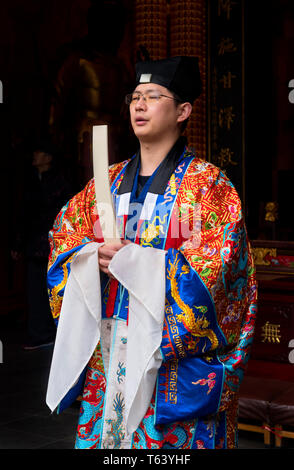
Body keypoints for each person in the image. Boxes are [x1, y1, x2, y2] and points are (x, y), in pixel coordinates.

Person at [46, 57, 257, 449]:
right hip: (110, 355)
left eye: (153, 96)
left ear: (183, 111)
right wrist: (89, 256)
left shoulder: (208, 187)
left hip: (171, 359)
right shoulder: (104, 184)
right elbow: (63, 235)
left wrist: (137, 262)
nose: (139, 105)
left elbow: (222, 269)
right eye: (135, 97)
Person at [11, 141, 73, 350]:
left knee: (50, 288)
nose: (35, 155)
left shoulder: (60, 182)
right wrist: (18, 243)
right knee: (34, 290)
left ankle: (48, 334)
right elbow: (24, 215)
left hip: (51, 243)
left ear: (49, 157)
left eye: (40, 151)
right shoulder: (31, 181)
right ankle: (40, 334)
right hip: (33, 244)